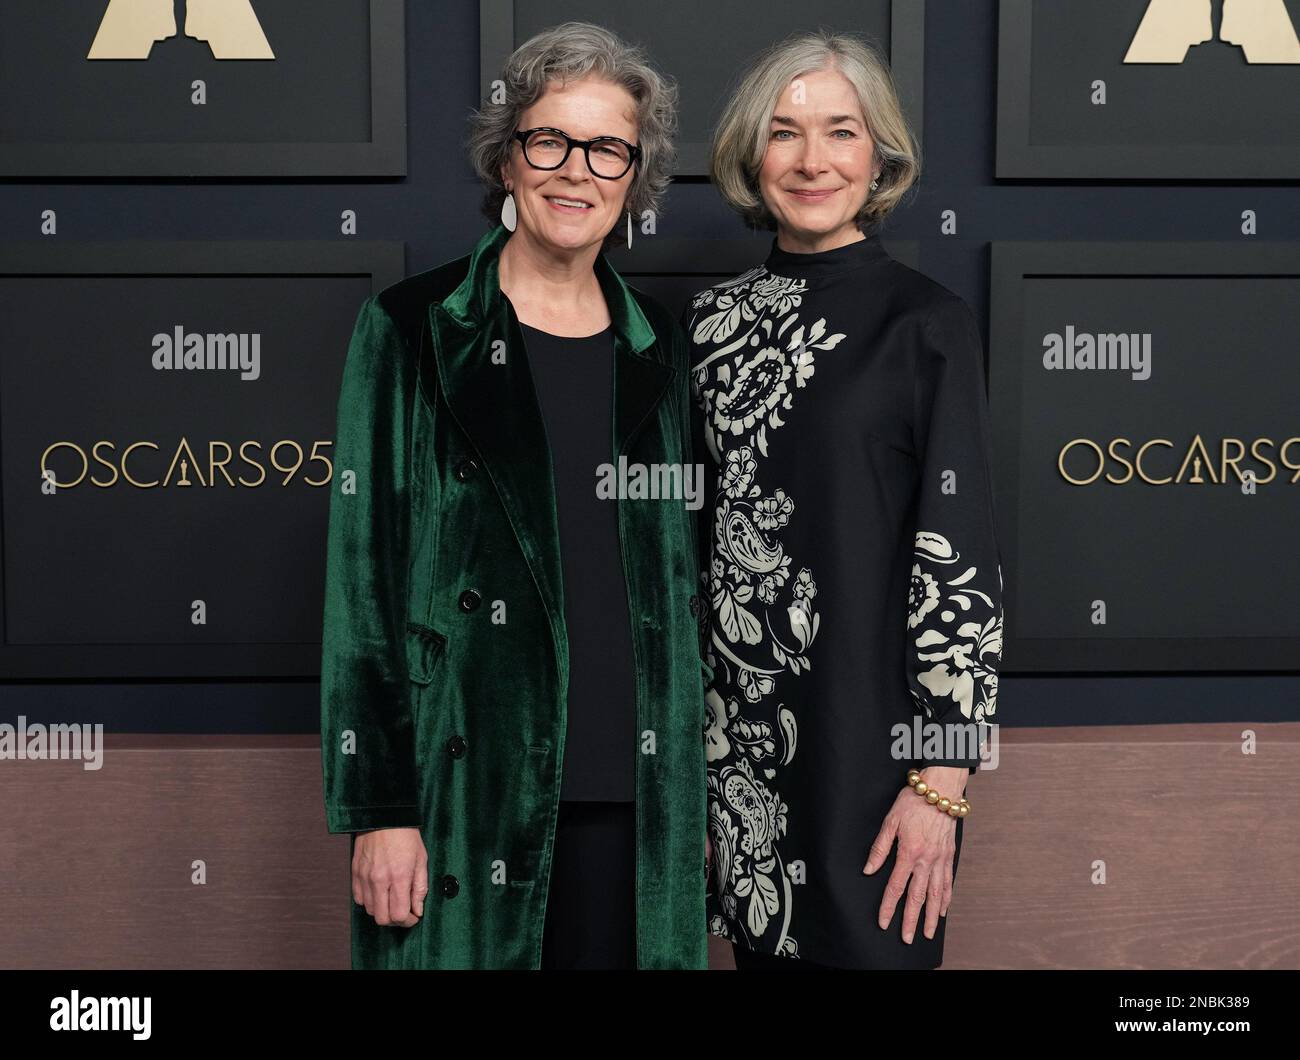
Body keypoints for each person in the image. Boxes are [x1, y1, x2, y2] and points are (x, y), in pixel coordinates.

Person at [319, 21, 709, 969]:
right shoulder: (413, 326)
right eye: (550, 141)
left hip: (640, 787)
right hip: (466, 786)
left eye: (607, 148)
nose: (576, 171)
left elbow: (682, 573)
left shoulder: (656, 343)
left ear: (635, 175)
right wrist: (380, 810)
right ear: (509, 157)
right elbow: (361, 585)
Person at [686, 29, 1004, 969]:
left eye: (841, 132)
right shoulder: (707, 327)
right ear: (753, 155)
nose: (813, 159)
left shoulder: (928, 324)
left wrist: (941, 779)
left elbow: (960, 556)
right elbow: (686, 551)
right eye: (785, 133)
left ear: (881, 157)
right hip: (737, 755)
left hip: (882, 758)